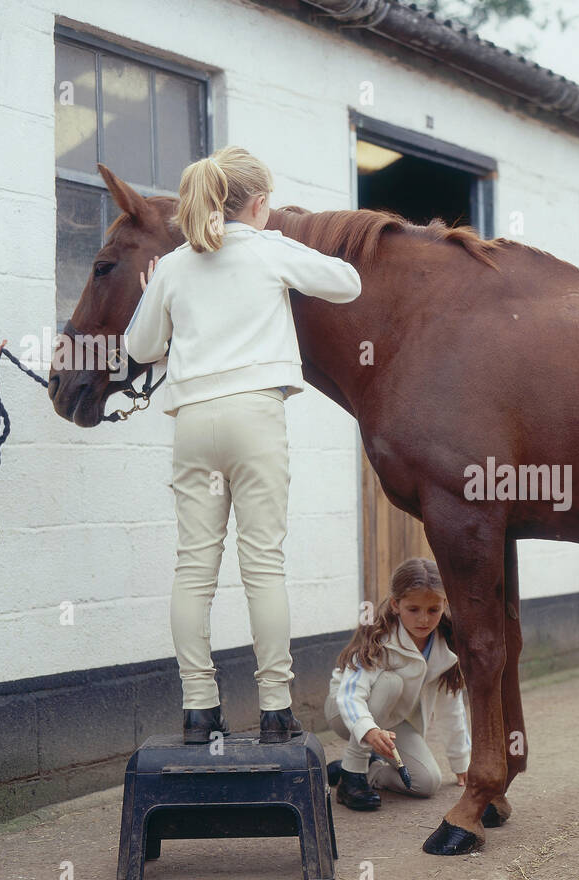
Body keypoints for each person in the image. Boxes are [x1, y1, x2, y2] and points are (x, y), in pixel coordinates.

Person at [121, 146, 363, 745]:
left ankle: (199, 709)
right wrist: (281, 244)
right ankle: (276, 709)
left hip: (195, 424)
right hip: (255, 417)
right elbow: (349, 283)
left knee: (194, 568)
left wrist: (153, 291)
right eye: (267, 205)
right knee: (263, 565)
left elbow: (141, 347)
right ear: (257, 204)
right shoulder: (269, 248)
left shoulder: (175, 265)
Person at [323, 558, 471, 811]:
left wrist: (460, 761)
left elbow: (450, 705)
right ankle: (352, 776)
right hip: (345, 710)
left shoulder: (446, 646)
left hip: (392, 719)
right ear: (395, 604)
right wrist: (368, 729)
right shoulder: (379, 637)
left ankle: (369, 771)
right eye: (413, 609)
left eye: (433, 610)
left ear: (444, 605)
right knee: (390, 682)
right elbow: (351, 695)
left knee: (427, 782)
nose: (423, 619)